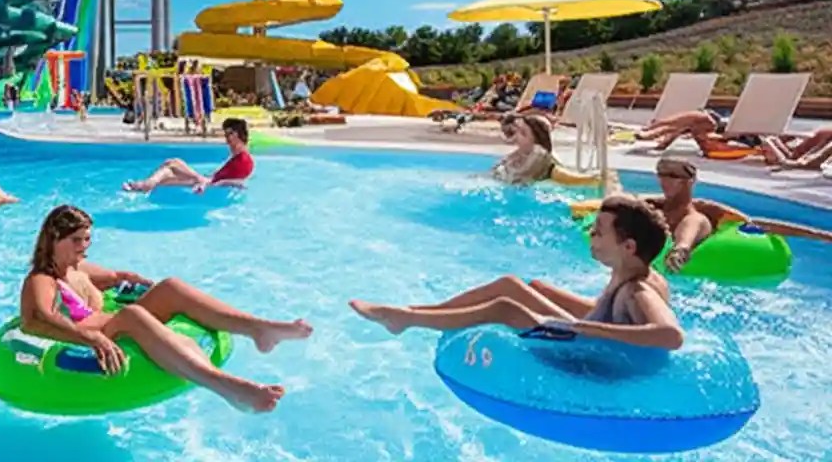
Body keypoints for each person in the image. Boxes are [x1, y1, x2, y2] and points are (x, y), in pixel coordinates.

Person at [18, 205, 312, 412]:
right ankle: (227, 387)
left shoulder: (77, 266)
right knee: (131, 315)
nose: (85, 246)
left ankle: (257, 328)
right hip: (94, 330)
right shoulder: (42, 279)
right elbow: (34, 322)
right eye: (77, 240)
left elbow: (111, 277)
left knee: (170, 287)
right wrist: (91, 338)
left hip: (110, 320)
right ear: (54, 238)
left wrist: (127, 278)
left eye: (88, 238)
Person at [350, 195, 684, 350]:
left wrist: (583, 326)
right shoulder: (632, 271)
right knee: (513, 285)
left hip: (598, 360)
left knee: (505, 308)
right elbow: (612, 315)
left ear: (628, 247)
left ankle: (406, 319)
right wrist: (551, 299)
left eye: (598, 231)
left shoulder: (639, 291)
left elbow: (671, 336)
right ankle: (414, 313)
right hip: (595, 336)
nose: (591, 236)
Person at [636, 157, 832, 271]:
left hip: (697, 246)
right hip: (659, 250)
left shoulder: (706, 208)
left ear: (689, 181)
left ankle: (680, 251)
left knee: (695, 218)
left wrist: (822, 236)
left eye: (672, 176)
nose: (663, 180)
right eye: (661, 174)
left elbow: (758, 224)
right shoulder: (654, 204)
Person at [122, 118, 253, 193]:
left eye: (229, 133)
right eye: (225, 133)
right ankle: (145, 185)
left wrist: (205, 184)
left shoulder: (244, 159)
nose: (226, 137)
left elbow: (236, 182)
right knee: (166, 175)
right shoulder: (236, 156)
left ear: (238, 134)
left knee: (173, 162)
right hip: (207, 180)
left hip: (207, 182)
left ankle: (144, 185)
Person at [491, 113, 555, 184]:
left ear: (537, 140)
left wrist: (503, 170)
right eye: (517, 132)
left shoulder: (539, 152)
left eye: (523, 133)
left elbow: (518, 178)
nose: (517, 136)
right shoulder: (523, 151)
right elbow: (499, 165)